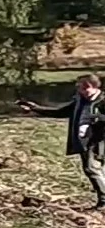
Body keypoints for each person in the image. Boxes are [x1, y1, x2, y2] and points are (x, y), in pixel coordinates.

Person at [19, 75, 105, 209]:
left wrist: (98, 119)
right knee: (97, 170)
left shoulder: (102, 102)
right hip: (84, 141)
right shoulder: (79, 102)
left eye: (84, 87)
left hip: (98, 141)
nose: (81, 90)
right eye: (80, 87)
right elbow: (60, 112)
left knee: (92, 169)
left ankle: (104, 201)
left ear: (94, 87)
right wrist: (35, 108)